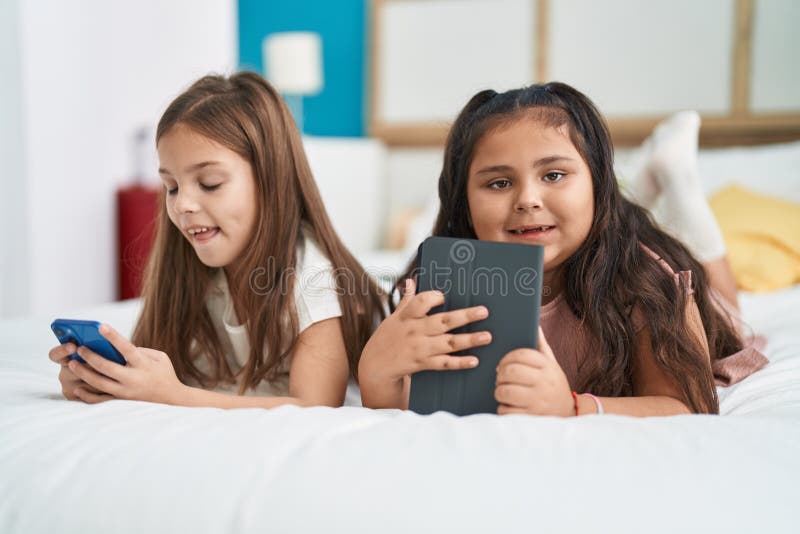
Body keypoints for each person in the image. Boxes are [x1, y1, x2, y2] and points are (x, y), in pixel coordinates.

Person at [358, 82, 767, 416]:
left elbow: (687, 406)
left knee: (726, 307)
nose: (527, 199)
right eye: (499, 183)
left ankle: (679, 183)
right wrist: (377, 373)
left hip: (670, 281)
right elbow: (413, 400)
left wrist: (572, 407)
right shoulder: (439, 286)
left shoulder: (647, 282)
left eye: (553, 175)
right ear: (464, 201)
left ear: (598, 184)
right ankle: (640, 187)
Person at [48, 72, 385, 408]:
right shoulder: (188, 266)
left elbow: (316, 407)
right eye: (171, 187)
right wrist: (100, 377)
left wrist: (173, 395)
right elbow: (157, 369)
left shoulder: (312, 278)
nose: (182, 205)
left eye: (209, 183)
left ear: (270, 181)